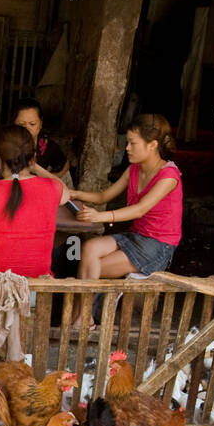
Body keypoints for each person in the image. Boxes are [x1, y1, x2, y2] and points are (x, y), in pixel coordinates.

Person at [68, 113, 183, 331]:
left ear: (152, 145)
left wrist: (100, 216)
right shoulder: (134, 169)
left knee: (94, 267)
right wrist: (76, 194)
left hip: (158, 245)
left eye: (132, 143)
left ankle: (81, 318)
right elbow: (104, 196)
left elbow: (140, 209)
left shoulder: (169, 176)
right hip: (136, 236)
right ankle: (84, 319)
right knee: (90, 248)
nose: (126, 148)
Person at [0, 125, 68, 278]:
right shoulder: (53, 188)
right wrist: (36, 167)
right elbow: (66, 193)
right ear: (32, 158)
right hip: (35, 290)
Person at [0, 98, 71, 188]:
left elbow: (64, 164)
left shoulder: (46, 146)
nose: (27, 129)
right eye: (21, 125)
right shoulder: (2, 145)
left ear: (41, 123)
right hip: (4, 194)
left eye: (32, 124)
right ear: (13, 124)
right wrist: (20, 187)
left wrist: (48, 179)